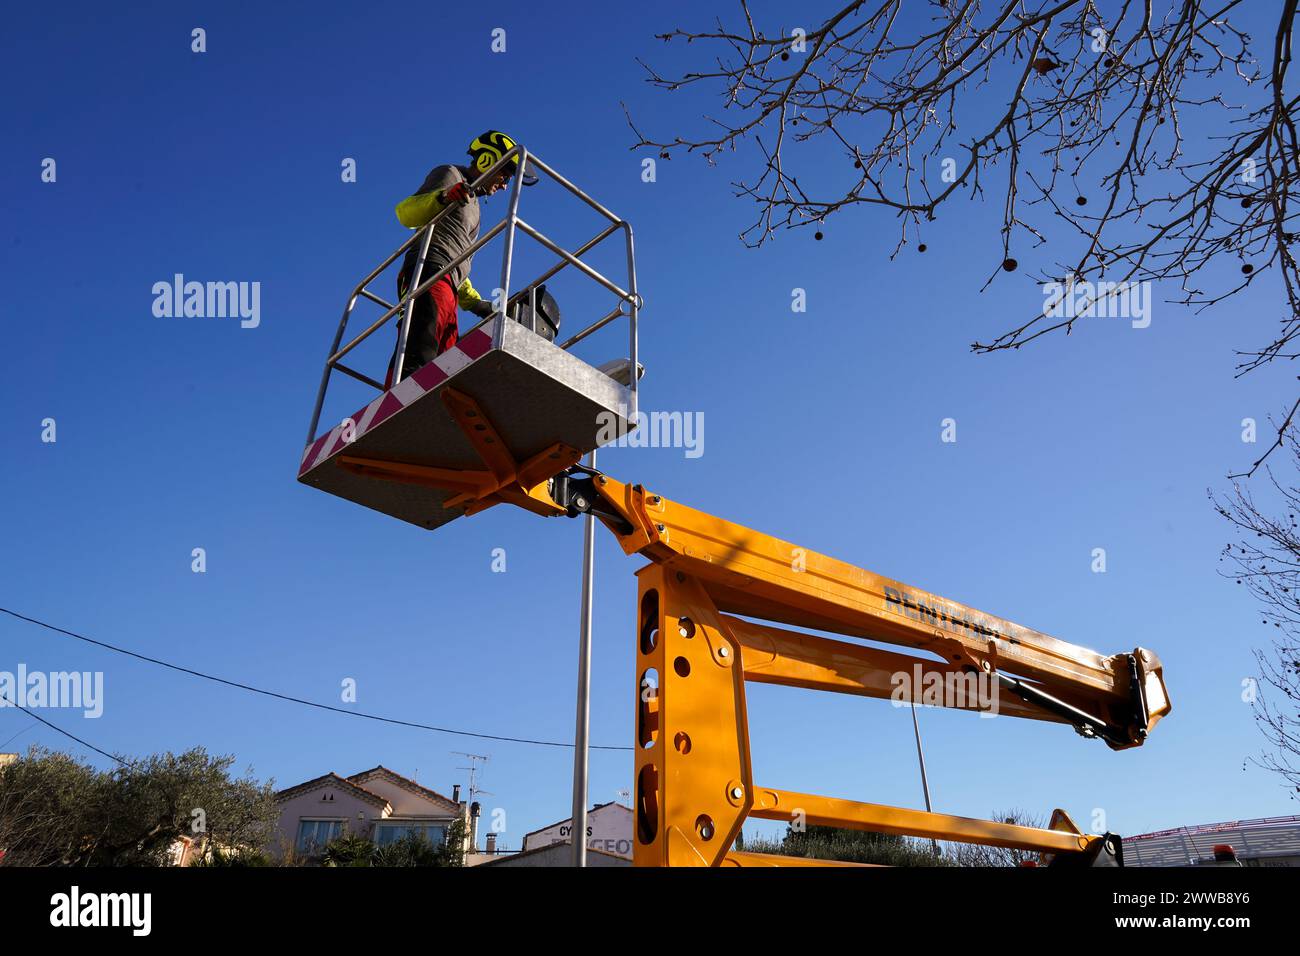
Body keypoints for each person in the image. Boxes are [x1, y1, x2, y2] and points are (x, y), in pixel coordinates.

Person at [387, 130, 537, 384]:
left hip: (449, 284)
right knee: (420, 348)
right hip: (428, 271)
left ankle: (433, 410)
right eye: (505, 175)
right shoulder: (450, 175)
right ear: (486, 160)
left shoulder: (474, 206)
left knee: (444, 364)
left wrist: (480, 306)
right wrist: (443, 197)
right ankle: (398, 401)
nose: (504, 185)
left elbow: (458, 264)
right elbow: (405, 213)